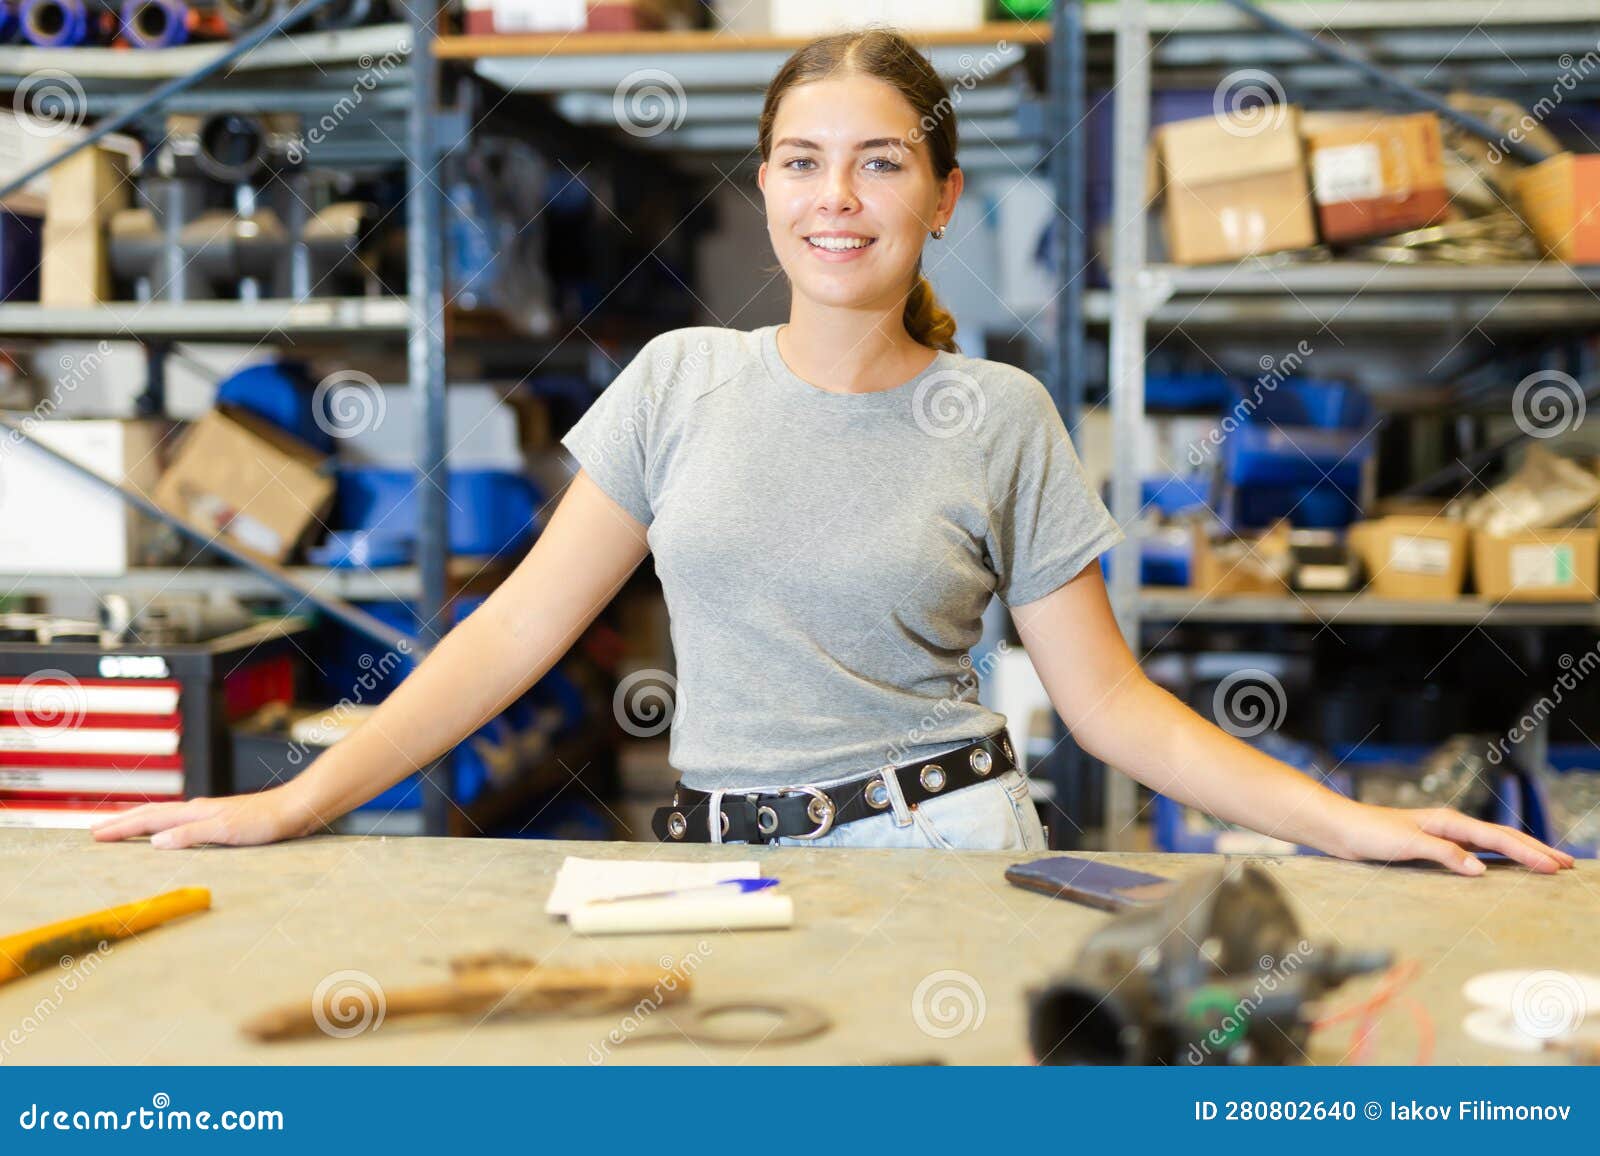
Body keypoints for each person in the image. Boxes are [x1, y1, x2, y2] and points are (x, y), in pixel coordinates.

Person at [94, 28, 1571, 876]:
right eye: (803, 162)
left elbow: (1116, 714)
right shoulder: (677, 384)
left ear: (935, 195)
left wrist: (1349, 826)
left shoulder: (1000, 415)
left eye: (880, 162)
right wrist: (297, 797)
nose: (836, 198)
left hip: (948, 850)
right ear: (767, 184)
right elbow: (509, 640)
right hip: (717, 862)